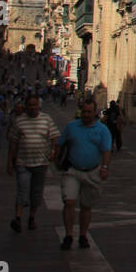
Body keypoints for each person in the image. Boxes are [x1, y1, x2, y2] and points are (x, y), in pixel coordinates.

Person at [56, 100, 114, 250]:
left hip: (92, 171)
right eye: (84, 111)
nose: (86, 114)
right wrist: (56, 159)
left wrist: (105, 167)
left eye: (89, 112)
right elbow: (59, 143)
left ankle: (83, 235)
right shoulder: (71, 127)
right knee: (69, 202)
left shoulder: (102, 130)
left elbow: (106, 150)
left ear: (95, 112)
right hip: (72, 170)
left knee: (86, 206)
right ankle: (69, 235)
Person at [7, 94, 59, 233]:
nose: (32, 107)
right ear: (26, 106)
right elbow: (13, 143)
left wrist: (53, 151)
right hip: (23, 162)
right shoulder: (19, 121)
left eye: (34, 105)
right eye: (30, 104)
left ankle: (31, 217)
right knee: (22, 190)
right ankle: (18, 218)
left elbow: (54, 136)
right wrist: (10, 162)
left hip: (41, 163)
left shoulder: (46, 119)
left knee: (36, 193)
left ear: (38, 106)